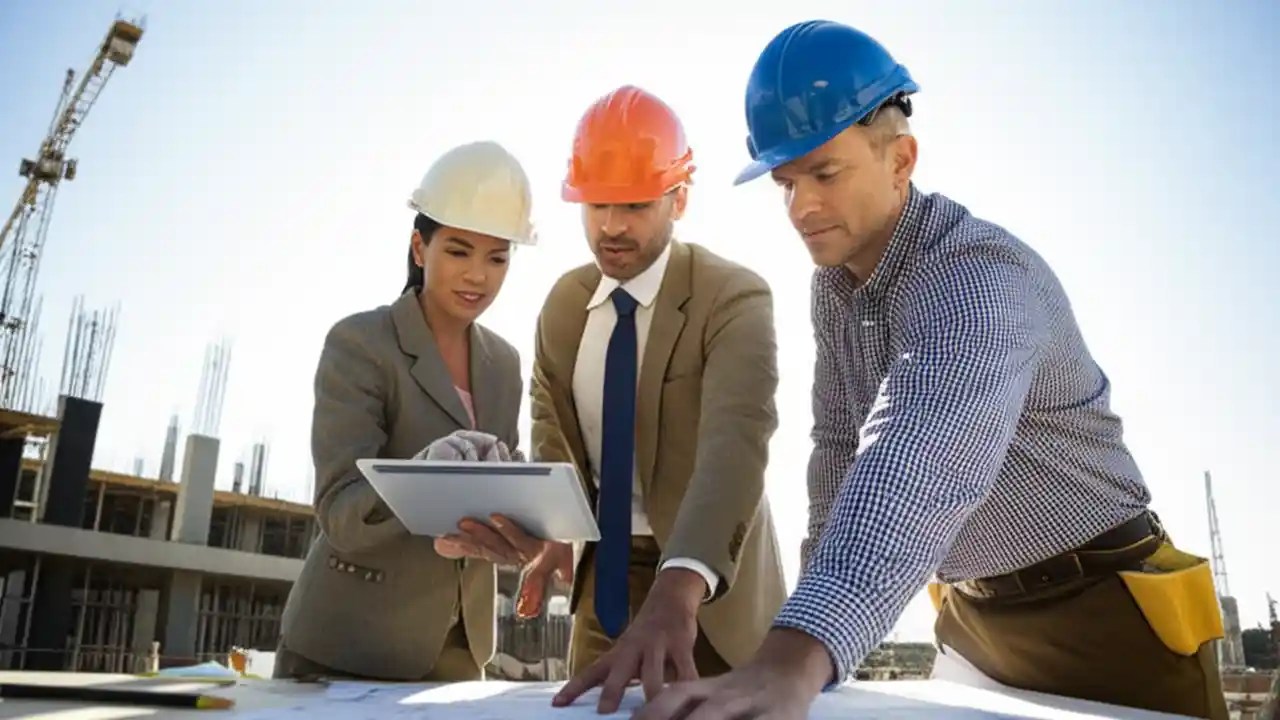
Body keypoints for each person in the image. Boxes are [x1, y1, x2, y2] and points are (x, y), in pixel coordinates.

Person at [633, 19, 1230, 720]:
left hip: (1102, 617)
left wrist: (797, 656)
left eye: (824, 173)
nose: (801, 207)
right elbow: (839, 454)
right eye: (785, 182)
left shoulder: (977, 277)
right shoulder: (835, 289)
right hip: (972, 626)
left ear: (901, 160)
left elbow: (918, 457)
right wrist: (794, 649)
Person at [518, 85, 787, 714]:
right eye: (596, 205)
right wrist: (556, 525)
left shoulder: (734, 298)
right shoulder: (563, 306)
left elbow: (735, 448)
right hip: (603, 589)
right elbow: (547, 419)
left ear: (679, 199)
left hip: (708, 600)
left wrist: (678, 589)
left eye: (635, 206)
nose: (611, 226)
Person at [274, 140, 549, 683]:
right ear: (420, 248)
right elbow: (340, 513)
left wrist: (525, 513)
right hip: (347, 646)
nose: (478, 275)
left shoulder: (503, 365)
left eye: (497, 257)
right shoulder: (360, 344)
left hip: (458, 651)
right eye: (459, 250)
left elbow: (487, 513)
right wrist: (423, 475)